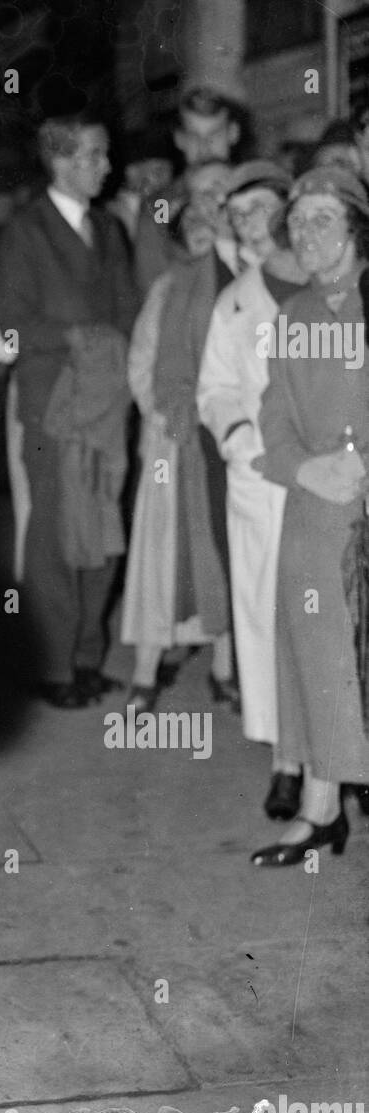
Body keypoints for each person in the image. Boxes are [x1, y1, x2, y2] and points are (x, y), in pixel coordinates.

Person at [0, 113, 138, 708]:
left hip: (107, 407)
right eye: (95, 155)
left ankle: (87, 657)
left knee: (104, 531)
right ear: (61, 161)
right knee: (55, 533)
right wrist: (80, 337)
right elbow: (13, 328)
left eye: (104, 154)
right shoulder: (25, 231)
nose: (107, 166)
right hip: (53, 406)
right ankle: (53, 667)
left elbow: (130, 312)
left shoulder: (108, 228)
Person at [251, 166, 369, 865]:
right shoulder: (292, 315)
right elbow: (272, 414)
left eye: (323, 218)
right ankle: (322, 810)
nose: (306, 232)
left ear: (355, 228)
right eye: (298, 221)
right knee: (316, 657)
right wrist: (304, 469)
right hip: (312, 508)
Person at [197, 161, 307, 819]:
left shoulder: (331, 284)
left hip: (328, 479)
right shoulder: (233, 300)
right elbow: (215, 388)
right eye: (236, 215)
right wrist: (239, 438)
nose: (248, 224)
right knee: (267, 618)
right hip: (262, 480)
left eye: (260, 208)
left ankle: (344, 759)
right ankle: (287, 761)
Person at [121, 174, 234, 709]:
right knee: (159, 552)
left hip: (221, 440)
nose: (198, 231)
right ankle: (145, 672)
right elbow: (142, 359)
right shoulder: (166, 286)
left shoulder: (238, 284)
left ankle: (225, 666)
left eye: (209, 223)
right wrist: (162, 413)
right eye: (189, 223)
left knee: (220, 549)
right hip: (171, 437)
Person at [133, 86, 243, 297]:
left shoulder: (256, 190)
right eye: (194, 135)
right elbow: (154, 285)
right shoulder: (160, 206)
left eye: (214, 134)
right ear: (179, 139)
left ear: (233, 133)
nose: (204, 146)